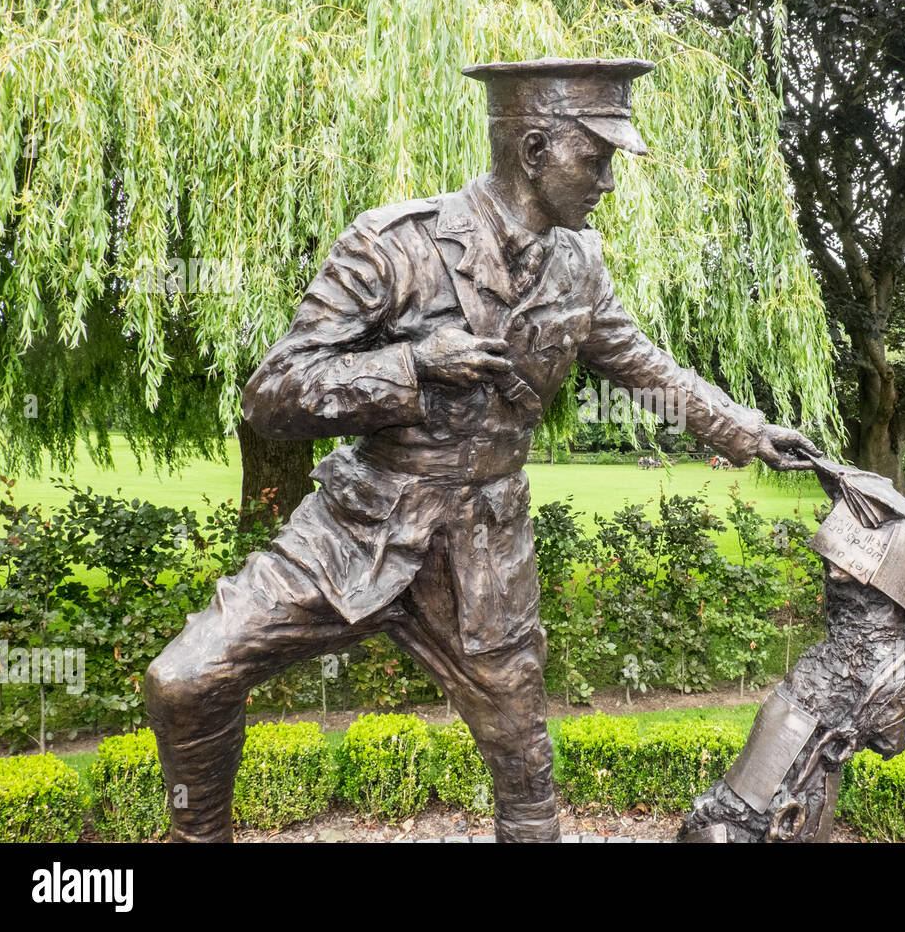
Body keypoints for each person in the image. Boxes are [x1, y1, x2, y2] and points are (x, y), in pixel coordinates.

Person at [144, 57, 820, 843]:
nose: (607, 182)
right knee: (185, 682)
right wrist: (413, 364)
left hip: (482, 543)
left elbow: (644, 366)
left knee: (523, 766)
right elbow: (275, 396)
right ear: (534, 150)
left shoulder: (580, 262)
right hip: (359, 524)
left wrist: (749, 431)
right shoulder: (393, 246)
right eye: (594, 160)